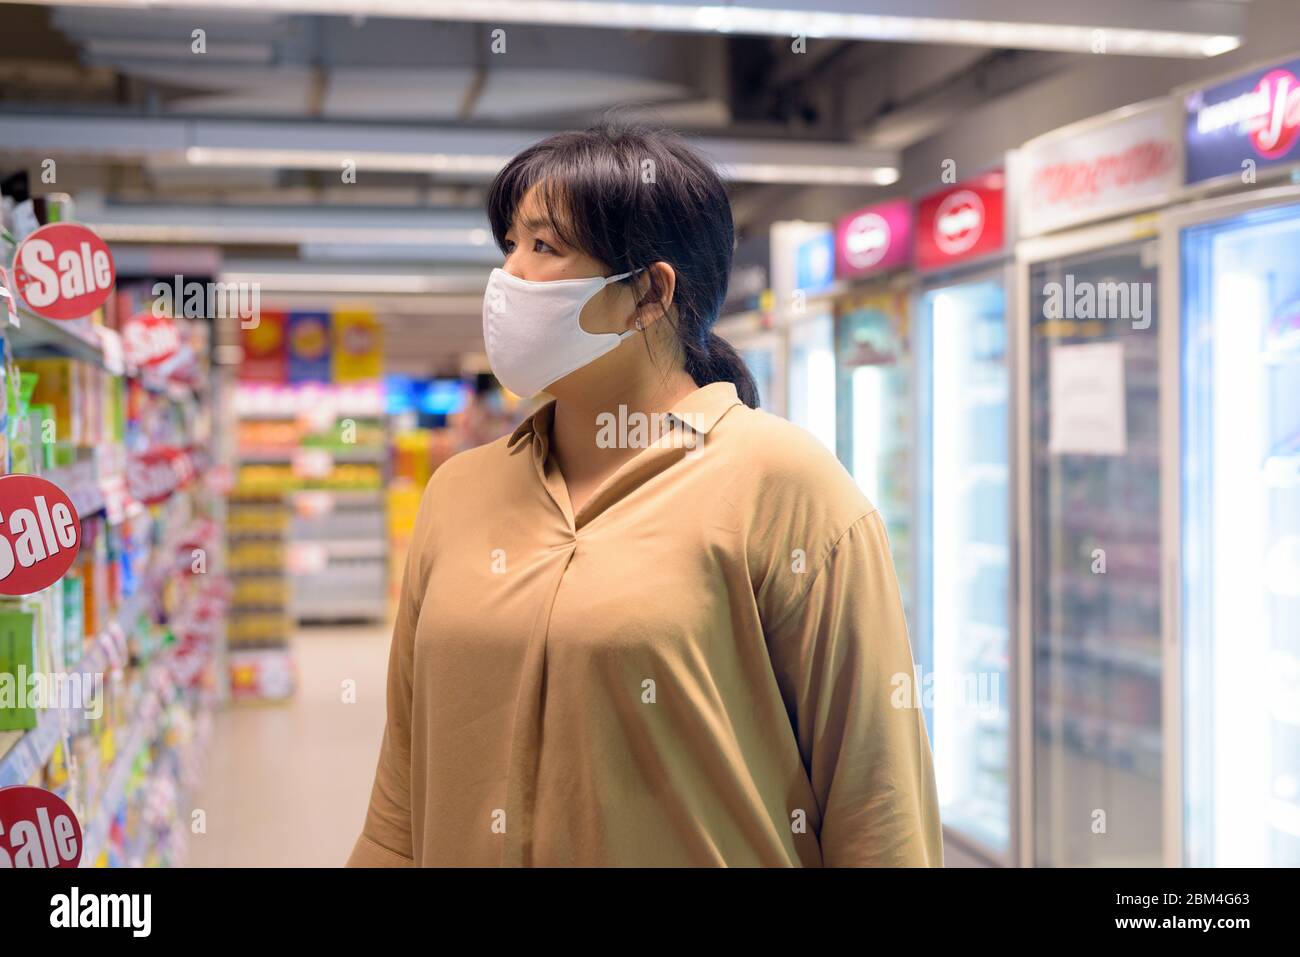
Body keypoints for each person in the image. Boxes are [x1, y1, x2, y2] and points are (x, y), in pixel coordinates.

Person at [347, 122, 942, 867]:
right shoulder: (459, 493)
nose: (508, 279)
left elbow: (878, 816)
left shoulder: (787, 489)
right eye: (509, 245)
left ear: (649, 294)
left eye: (544, 247)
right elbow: (399, 805)